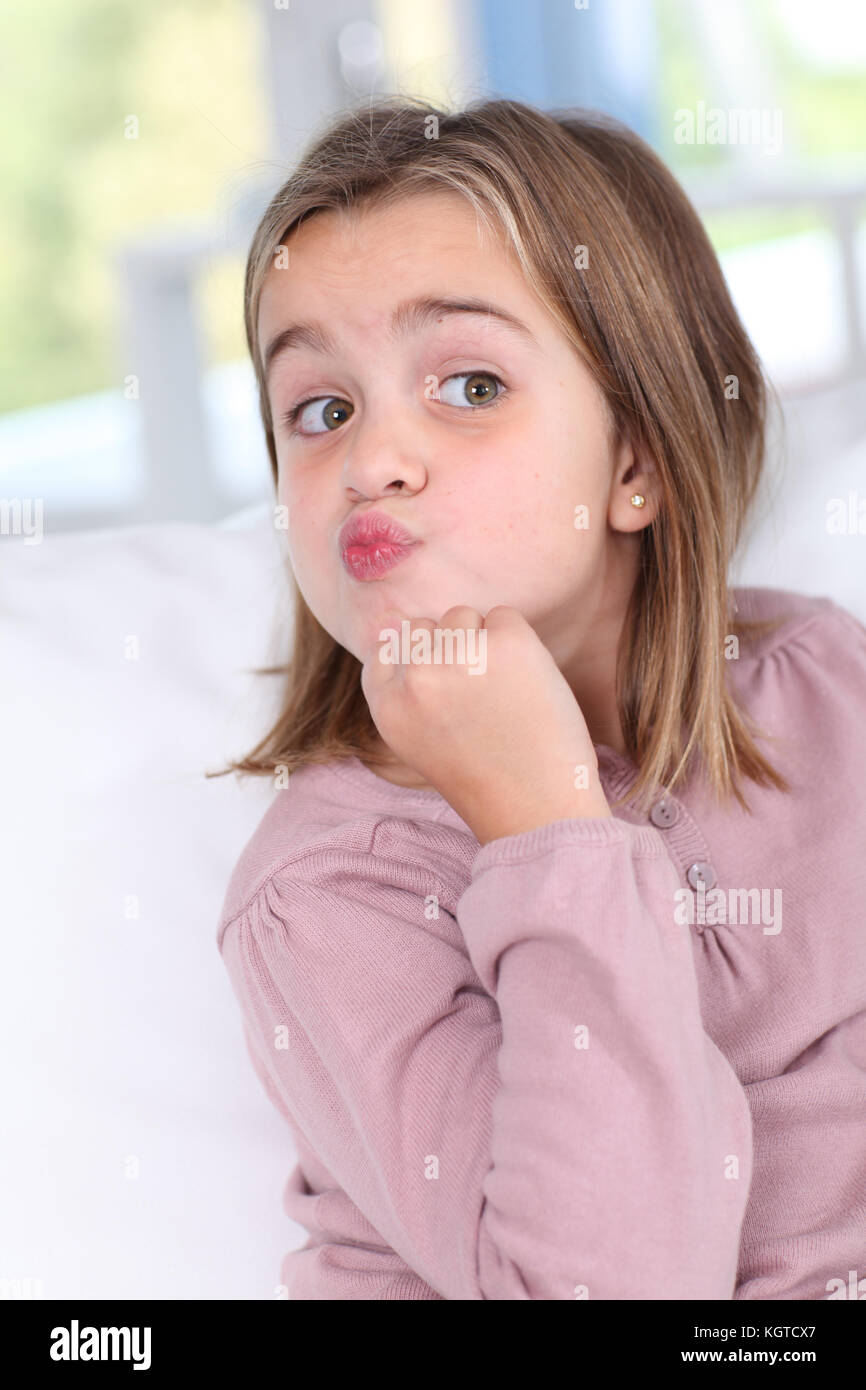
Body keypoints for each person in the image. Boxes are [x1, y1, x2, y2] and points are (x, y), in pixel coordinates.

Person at [211, 96, 866, 1299]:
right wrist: (545, 826)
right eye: (320, 408)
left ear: (635, 462)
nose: (370, 460)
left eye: (464, 385)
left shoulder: (823, 682)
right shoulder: (332, 892)